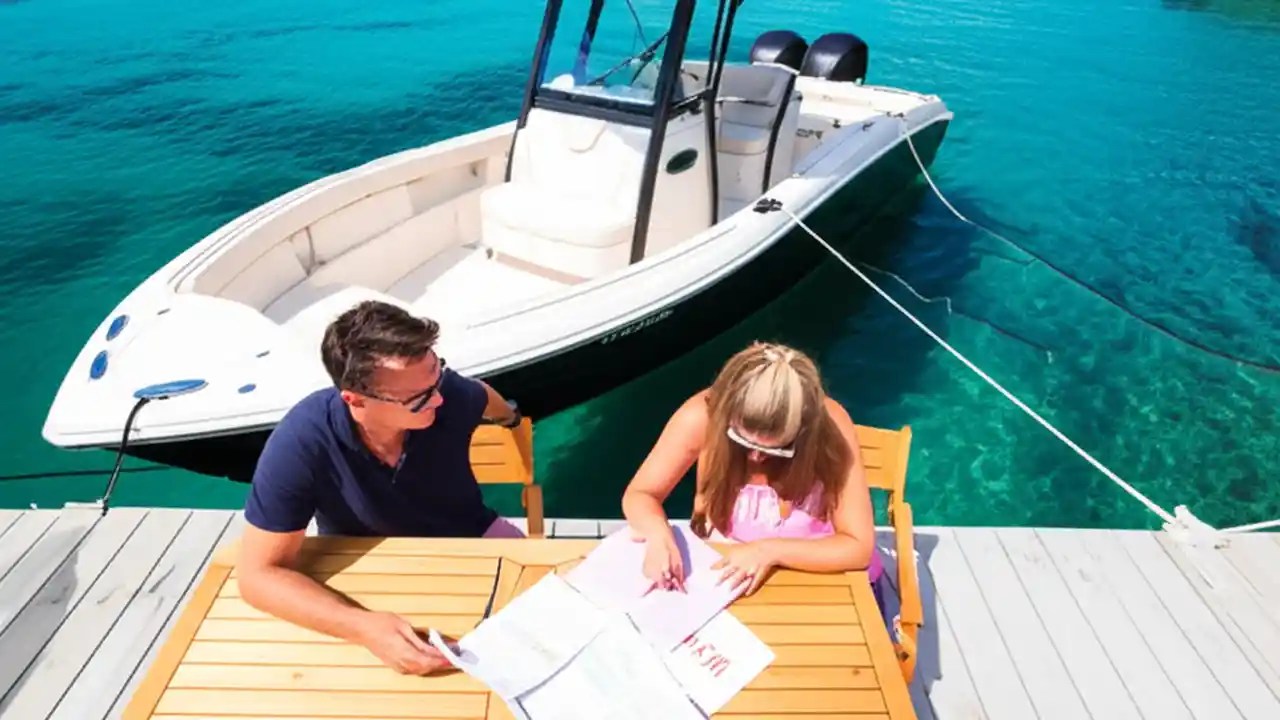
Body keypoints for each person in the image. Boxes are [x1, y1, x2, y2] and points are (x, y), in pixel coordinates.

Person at [237, 299, 525, 676]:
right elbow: (256, 576)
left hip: (471, 533)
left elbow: (481, 394)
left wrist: (511, 417)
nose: (438, 398)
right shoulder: (304, 439)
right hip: (361, 562)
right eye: (419, 398)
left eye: (438, 374)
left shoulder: (449, 394)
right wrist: (362, 627)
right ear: (355, 400)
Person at [621, 341, 883, 604]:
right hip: (734, 578)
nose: (756, 457)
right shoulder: (700, 417)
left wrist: (769, 550)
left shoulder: (831, 427)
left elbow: (858, 547)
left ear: (802, 431)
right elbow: (641, 493)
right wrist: (657, 533)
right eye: (743, 441)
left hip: (824, 578)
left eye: (778, 449)